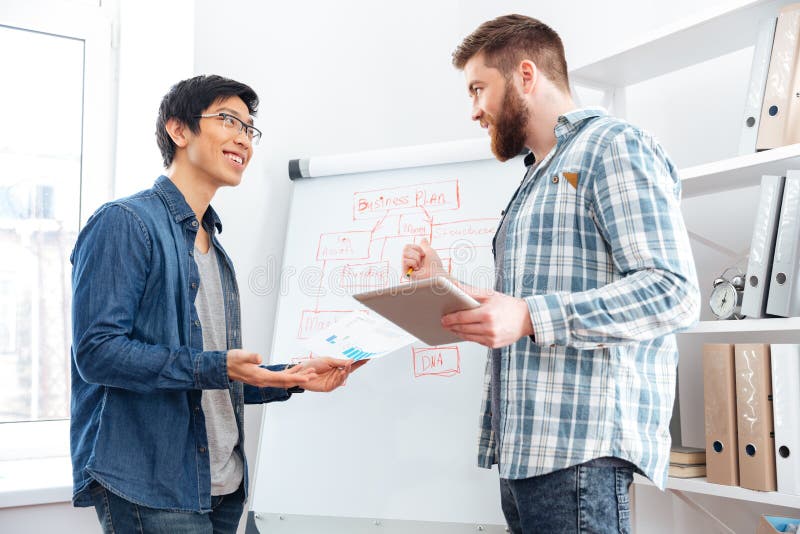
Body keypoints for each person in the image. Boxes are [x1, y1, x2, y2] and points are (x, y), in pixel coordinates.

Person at [403, 15, 700, 533]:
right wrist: (445, 288)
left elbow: (672, 292)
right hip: (527, 456)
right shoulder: (536, 177)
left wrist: (528, 315)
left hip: (579, 455)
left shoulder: (613, 146)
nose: (474, 111)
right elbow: (522, 315)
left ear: (524, 74)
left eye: (479, 89)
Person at [70, 74, 364, 534]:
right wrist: (218, 366)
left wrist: (290, 377)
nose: (243, 139)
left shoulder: (215, 246)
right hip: (155, 487)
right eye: (228, 120)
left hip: (223, 486)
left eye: (250, 129)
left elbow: (212, 377)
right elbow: (97, 353)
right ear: (179, 130)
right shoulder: (125, 223)